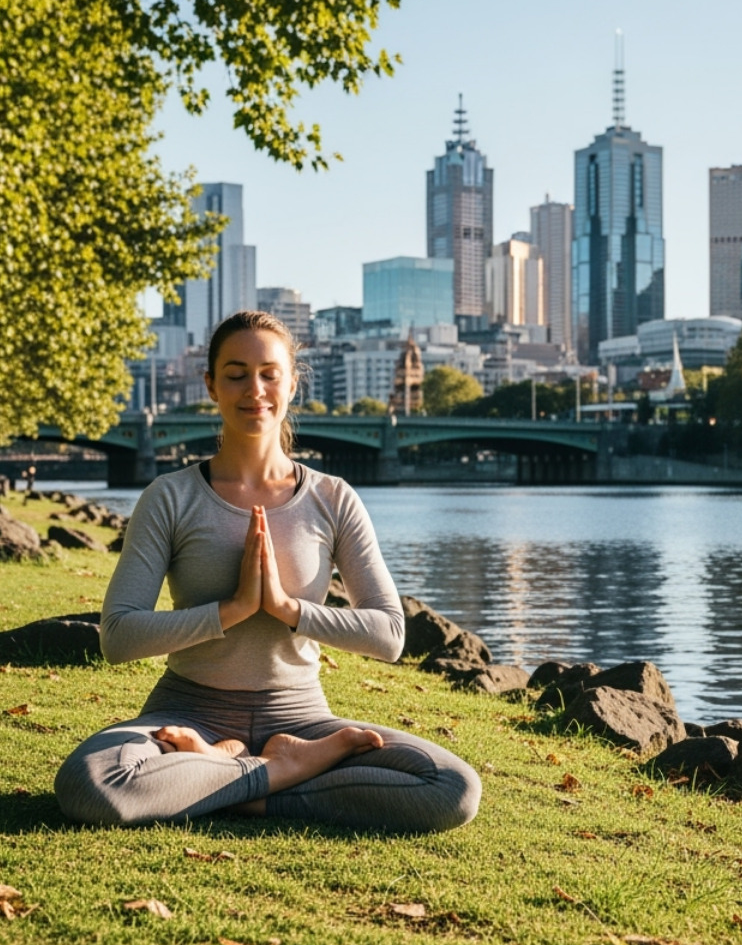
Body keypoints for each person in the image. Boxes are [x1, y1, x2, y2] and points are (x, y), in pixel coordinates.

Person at [54, 311, 480, 832]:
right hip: (188, 710)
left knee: (451, 788)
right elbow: (117, 637)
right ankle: (275, 772)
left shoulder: (332, 498)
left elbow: (390, 635)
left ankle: (224, 773)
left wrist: (286, 608)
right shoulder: (170, 497)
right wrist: (231, 611)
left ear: (292, 382)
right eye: (235, 373)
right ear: (210, 385)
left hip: (302, 718)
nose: (254, 389)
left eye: (269, 373)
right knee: (93, 784)